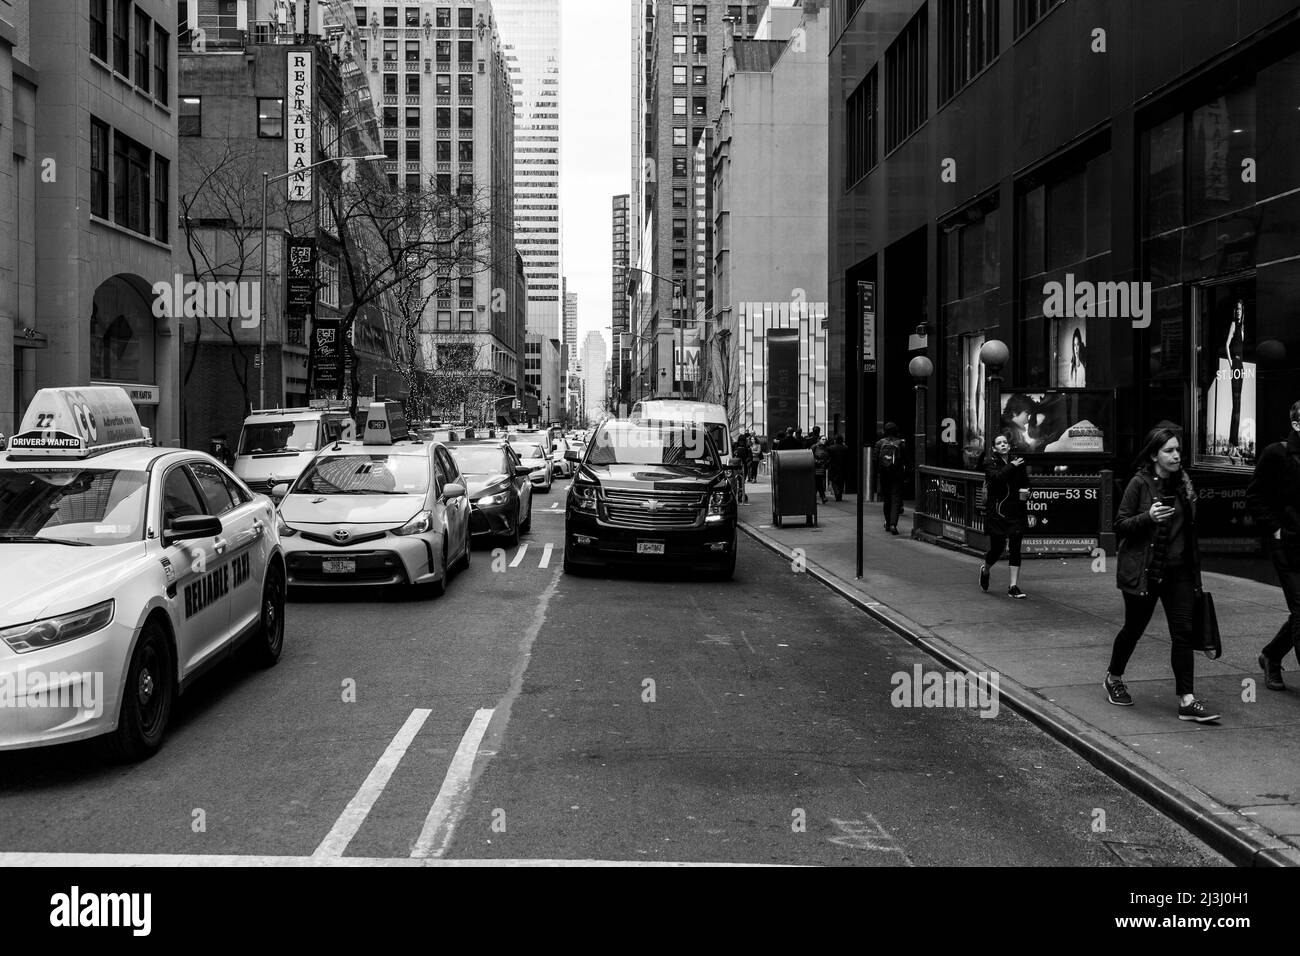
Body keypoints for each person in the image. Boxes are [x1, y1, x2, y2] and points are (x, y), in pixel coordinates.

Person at [1103, 426, 1220, 722]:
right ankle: (1114, 677)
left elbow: (1190, 532)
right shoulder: (1139, 484)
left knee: (1182, 633)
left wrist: (1195, 576)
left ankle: (1186, 699)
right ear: (1154, 455)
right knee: (1134, 628)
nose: (1176, 455)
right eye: (1168, 450)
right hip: (1146, 572)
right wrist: (1148, 517)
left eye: (1178, 450)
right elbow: (1120, 524)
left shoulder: (1184, 484)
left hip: (1179, 572)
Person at [1246, 400, 1300, 692]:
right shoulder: (1276, 454)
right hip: (1289, 546)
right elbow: (1254, 496)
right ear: (1296, 425)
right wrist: (1277, 530)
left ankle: (1271, 655)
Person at [978, 432, 1030, 598]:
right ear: (994, 447)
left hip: (1016, 509)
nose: (1003, 445)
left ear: (1008, 445)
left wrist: (1027, 491)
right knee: (997, 548)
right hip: (997, 511)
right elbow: (996, 478)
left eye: (1005, 442)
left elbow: (1025, 481)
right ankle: (985, 569)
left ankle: (1013, 586)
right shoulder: (989, 461)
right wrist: (1012, 466)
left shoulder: (1018, 461)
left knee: (1015, 547)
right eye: (999, 443)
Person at [873, 422, 908, 535]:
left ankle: (888, 523)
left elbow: (875, 460)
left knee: (887, 498)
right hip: (897, 475)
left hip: (884, 474)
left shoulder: (879, 443)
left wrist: (878, 472)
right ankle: (893, 524)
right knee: (896, 499)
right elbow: (905, 460)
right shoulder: (900, 444)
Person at [827, 434, 848, 502]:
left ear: (835, 440)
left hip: (833, 467)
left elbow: (829, 458)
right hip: (843, 467)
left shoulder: (831, 448)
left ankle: (836, 492)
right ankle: (840, 496)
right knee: (841, 483)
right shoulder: (845, 448)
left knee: (834, 482)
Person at [812, 436, 830, 504]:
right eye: (822, 439)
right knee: (818, 483)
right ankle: (823, 497)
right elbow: (811, 455)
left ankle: (818, 498)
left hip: (822, 468)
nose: (824, 441)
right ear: (819, 440)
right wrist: (816, 461)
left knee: (818, 483)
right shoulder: (814, 447)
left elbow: (827, 457)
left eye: (825, 439)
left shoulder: (826, 448)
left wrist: (826, 463)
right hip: (815, 468)